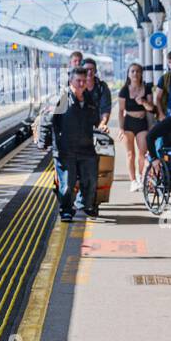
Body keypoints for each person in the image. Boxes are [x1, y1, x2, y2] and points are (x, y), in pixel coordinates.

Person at [39, 66, 102, 223]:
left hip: (86, 148)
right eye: (78, 81)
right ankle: (66, 210)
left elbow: (95, 119)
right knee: (67, 183)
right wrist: (43, 142)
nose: (81, 84)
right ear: (71, 81)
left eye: (84, 81)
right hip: (65, 149)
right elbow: (47, 120)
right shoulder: (63, 99)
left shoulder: (89, 99)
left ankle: (83, 205)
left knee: (90, 180)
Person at [117, 62, 156, 191]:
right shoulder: (124, 90)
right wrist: (121, 128)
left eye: (138, 71)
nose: (135, 73)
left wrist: (143, 102)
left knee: (142, 153)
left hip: (142, 122)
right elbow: (120, 111)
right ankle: (133, 180)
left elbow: (151, 108)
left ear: (141, 74)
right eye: (132, 71)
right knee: (130, 154)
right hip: (128, 123)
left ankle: (140, 176)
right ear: (128, 74)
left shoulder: (147, 88)